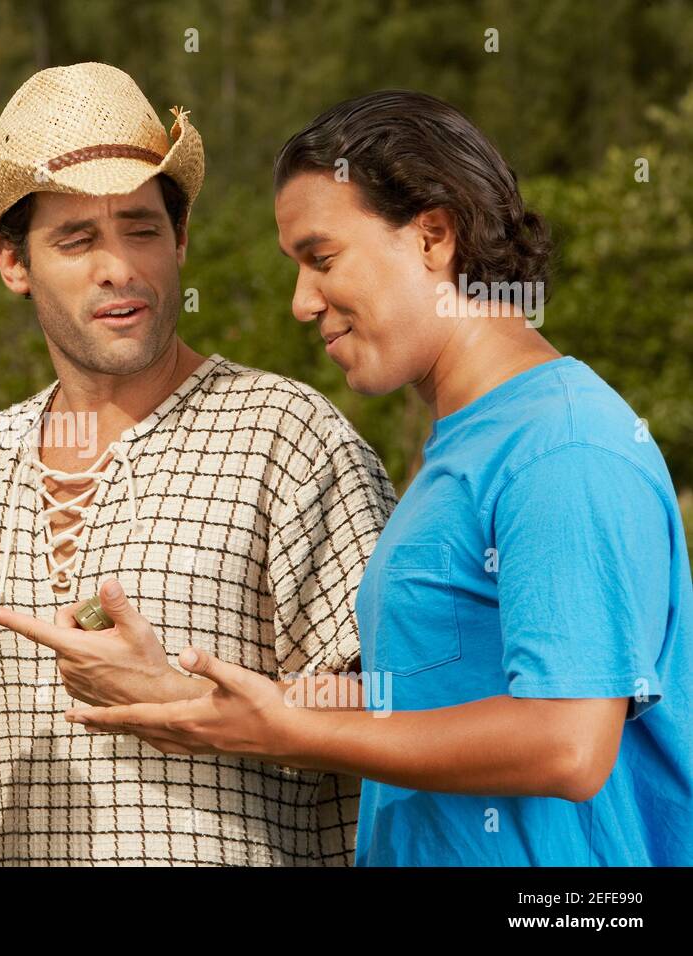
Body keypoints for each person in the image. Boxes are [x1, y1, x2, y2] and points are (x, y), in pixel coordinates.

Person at [45, 90, 693, 866]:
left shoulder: (561, 446)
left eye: (322, 259)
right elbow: (417, 703)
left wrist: (291, 730)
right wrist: (203, 699)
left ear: (433, 235)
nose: (301, 302)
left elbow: (566, 743)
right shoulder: (465, 445)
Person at [0, 63, 395, 865]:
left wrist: (186, 700)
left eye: (141, 229)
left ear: (180, 239)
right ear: (13, 263)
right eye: (76, 239)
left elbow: (397, 709)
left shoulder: (291, 439)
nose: (120, 267)